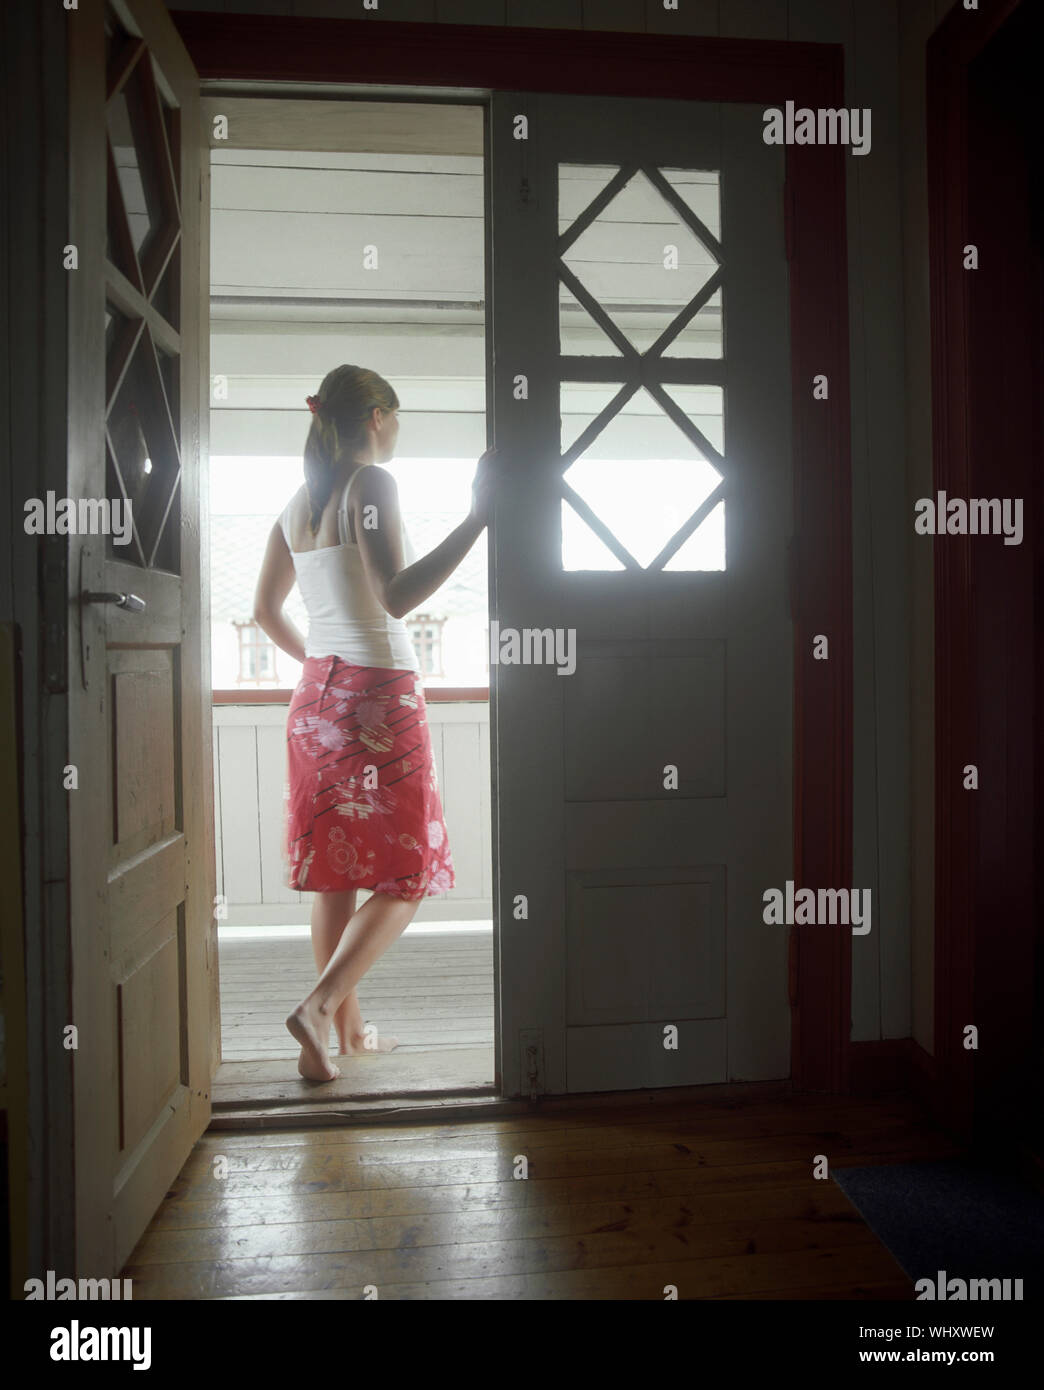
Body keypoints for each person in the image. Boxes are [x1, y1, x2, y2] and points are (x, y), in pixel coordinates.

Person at [252, 364, 497, 1081]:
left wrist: (326, 676)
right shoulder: (373, 485)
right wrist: (477, 519)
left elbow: (266, 610)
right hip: (378, 698)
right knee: (408, 876)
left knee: (337, 877)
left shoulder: (298, 502)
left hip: (316, 700)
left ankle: (346, 1040)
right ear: (375, 419)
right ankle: (323, 1007)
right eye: (397, 419)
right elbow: (395, 596)